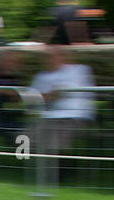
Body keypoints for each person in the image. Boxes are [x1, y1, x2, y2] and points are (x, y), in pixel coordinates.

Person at [29, 45, 95, 186]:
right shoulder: (40, 76)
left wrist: (47, 96)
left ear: (62, 57)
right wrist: (49, 96)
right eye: (46, 57)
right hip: (47, 116)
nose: (48, 60)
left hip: (74, 116)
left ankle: (58, 177)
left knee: (53, 139)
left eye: (52, 56)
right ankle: (30, 171)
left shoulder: (79, 71)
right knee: (23, 139)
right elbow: (32, 99)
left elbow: (62, 93)